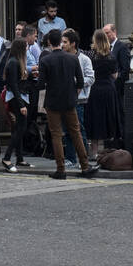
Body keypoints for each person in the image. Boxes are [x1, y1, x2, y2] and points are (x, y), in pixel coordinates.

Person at [37, 29, 100, 179]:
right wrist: (73, 94)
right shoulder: (73, 59)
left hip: (52, 102)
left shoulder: (45, 60)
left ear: (49, 42)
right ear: (60, 41)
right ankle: (85, 166)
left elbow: (40, 84)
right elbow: (80, 82)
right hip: (70, 101)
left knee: (57, 135)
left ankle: (61, 169)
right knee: (76, 132)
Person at [0, 37, 32, 173]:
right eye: (25, 46)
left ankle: (19, 158)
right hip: (16, 98)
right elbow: (13, 85)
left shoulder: (16, 62)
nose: (27, 48)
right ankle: (7, 158)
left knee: (19, 127)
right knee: (20, 128)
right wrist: (21, 105)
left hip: (21, 96)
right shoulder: (13, 63)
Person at [85, 28, 121, 151]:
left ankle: (94, 151)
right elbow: (115, 75)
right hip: (108, 89)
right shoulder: (111, 56)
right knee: (108, 117)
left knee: (95, 118)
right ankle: (109, 149)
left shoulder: (91, 55)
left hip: (95, 89)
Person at [63, 28, 94, 170]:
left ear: (73, 43)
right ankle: (70, 158)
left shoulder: (84, 59)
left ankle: (84, 158)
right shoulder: (62, 57)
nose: (62, 44)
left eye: (65, 42)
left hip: (79, 99)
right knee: (67, 130)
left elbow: (91, 77)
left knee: (79, 129)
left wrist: (76, 82)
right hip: (64, 99)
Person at [104, 24, 133, 148]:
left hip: (117, 87)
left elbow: (125, 69)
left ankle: (121, 141)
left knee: (119, 114)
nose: (106, 36)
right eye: (104, 34)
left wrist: (116, 80)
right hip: (107, 88)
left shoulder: (121, 47)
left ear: (114, 32)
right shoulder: (105, 48)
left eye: (107, 33)